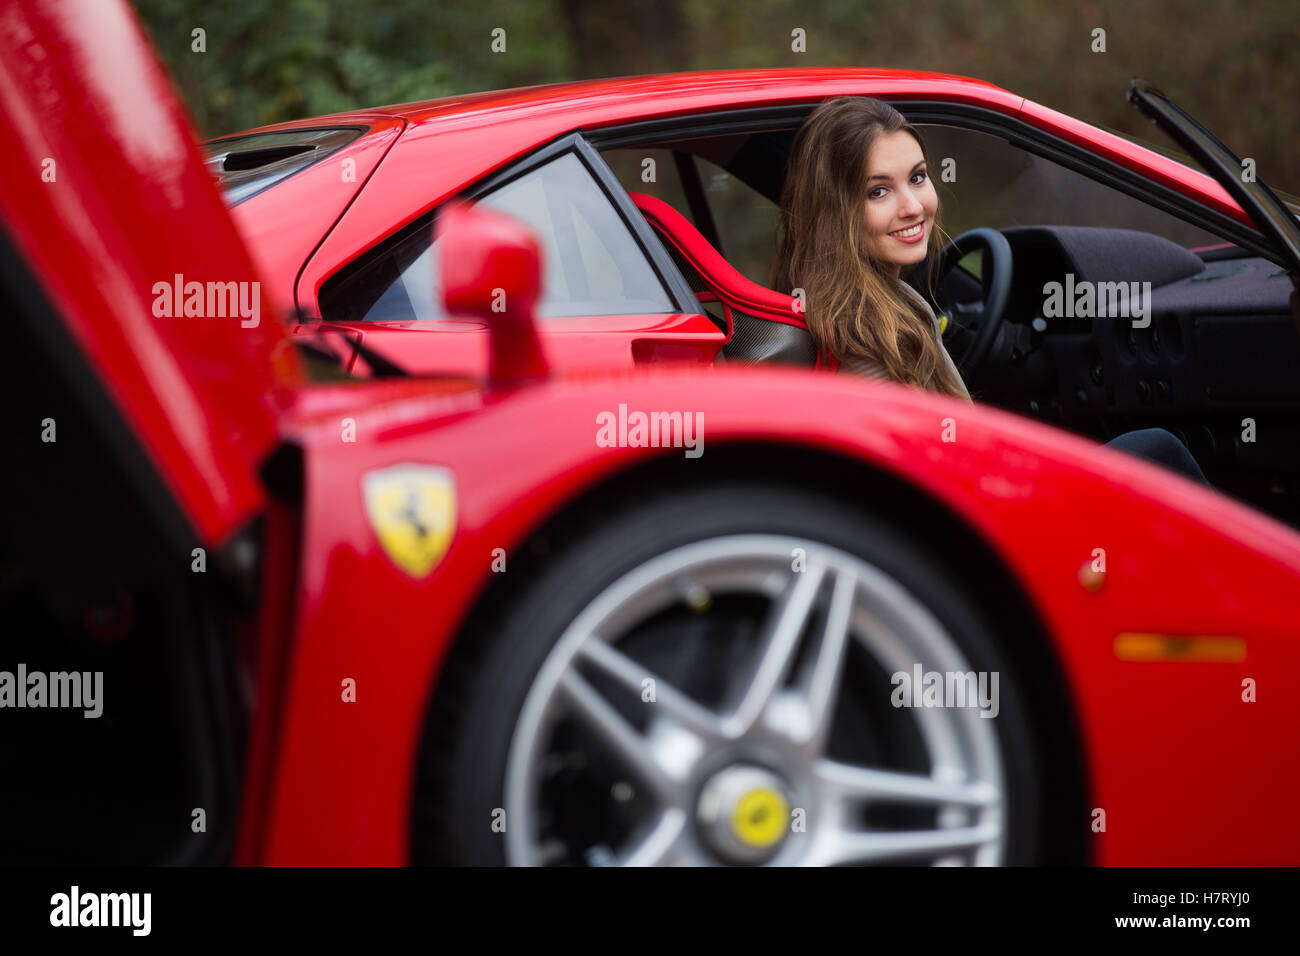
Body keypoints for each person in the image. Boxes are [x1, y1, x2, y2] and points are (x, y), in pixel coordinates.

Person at [772, 95, 1211, 487]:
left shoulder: (834, 306)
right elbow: (926, 478)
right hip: (979, 524)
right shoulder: (863, 332)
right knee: (1158, 448)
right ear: (835, 211)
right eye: (879, 191)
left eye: (919, 177)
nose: (913, 206)